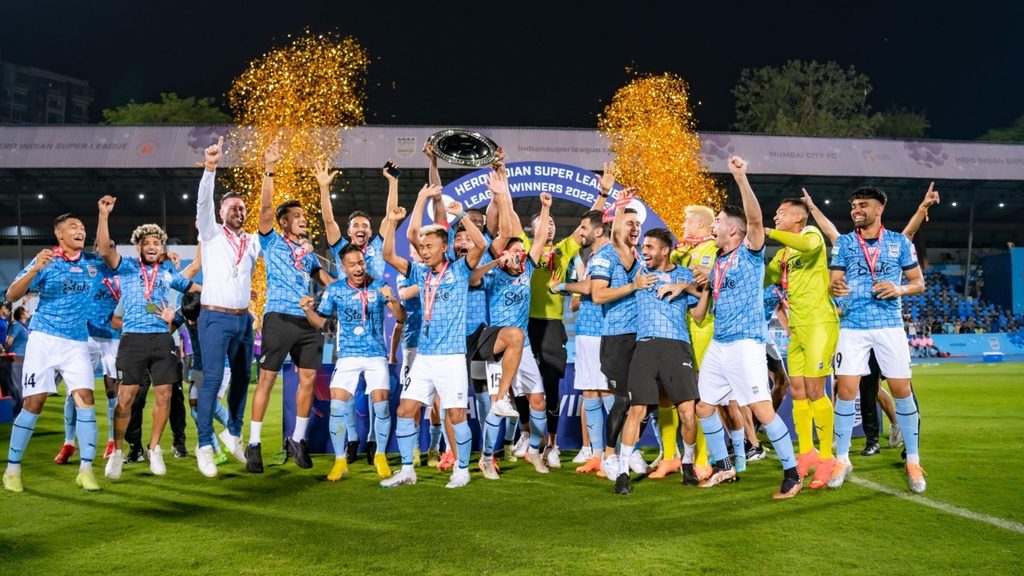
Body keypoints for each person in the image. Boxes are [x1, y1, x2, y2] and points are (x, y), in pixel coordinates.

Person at [689, 156, 801, 499]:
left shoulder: (750, 252)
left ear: (734, 231)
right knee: (704, 407)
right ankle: (724, 467)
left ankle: (792, 474)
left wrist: (741, 177)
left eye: (720, 221)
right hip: (720, 344)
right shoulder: (719, 260)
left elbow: (754, 219)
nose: (715, 224)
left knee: (761, 410)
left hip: (746, 345)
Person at [379, 189, 488, 489]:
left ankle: (462, 470)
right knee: (405, 409)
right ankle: (406, 471)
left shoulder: (460, 270)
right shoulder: (419, 273)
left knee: (455, 414)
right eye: (422, 246)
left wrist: (463, 215)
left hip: (452, 357)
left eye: (429, 246)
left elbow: (481, 243)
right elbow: (388, 255)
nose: (424, 251)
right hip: (424, 356)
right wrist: (391, 222)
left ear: (445, 246)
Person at [4, 212, 114, 493]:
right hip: (44, 341)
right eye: (73, 227)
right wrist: (34, 270)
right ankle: (13, 468)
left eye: (82, 227)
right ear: (59, 235)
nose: (80, 230)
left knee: (86, 402)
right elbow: (11, 296)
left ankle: (86, 470)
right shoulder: (46, 261)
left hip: (77, 342)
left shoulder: (92, 263)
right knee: (34, 404)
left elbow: (105, 248)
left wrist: (102, 216)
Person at [827, 185, 927, 493]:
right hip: (852, 326)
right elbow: (834, 282)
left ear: (879, 209)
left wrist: (898, 289)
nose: (856, 210)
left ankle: (913, 458)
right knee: (845, 391)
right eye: (854, 205)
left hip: (889, 325)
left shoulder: (899, 243)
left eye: (862, 205)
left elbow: (918, 283)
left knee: (900, 389)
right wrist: (836, 289)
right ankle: (842, 458)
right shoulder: (844, 243)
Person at [94, 197, 201, 480]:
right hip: (132, 339)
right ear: (138, 246)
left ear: (162, 248)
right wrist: (103, 215)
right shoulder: (127, 267)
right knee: (125, 397)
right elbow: (105, 249)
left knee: (165, 394)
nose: (152, 247)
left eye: (157, 243)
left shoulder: (167, 272)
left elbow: (193, 286)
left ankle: (154, 449)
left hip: (161, 339)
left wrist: (230, 296)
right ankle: (117, 452)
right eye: (147, 243)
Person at [245, 144, 333, 473]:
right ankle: (254, 444)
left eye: (304, 217)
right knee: (266, 380)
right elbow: (266, 209)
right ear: (283, 223)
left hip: (307, 322)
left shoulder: (308, 252)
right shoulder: (271, 240)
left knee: (308, 379)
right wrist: (270, 168)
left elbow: (322, 276)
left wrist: (339, 287)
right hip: (278, 316)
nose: (303, 220)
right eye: (296, 217)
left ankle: (297, 439)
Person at [520, 161, 611, 467]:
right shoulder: (524, 247)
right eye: (545, 226)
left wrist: (604, 192)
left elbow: (589, 224)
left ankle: (553, 445)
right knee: (524, 384)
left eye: (554, 226)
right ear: (534, 230)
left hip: (553, 326)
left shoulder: (562, 250)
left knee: (552, 385)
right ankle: (526, 434)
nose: (550, 229)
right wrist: (544, 207)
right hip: (525, 324)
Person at [609, 220, 701, 496]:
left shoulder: (685, 274)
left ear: (665, 251)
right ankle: (622, 474)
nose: (644, 250)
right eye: (643, 246)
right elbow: (617, 240)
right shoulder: (638, 270)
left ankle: (687, 464)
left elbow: (698, 314)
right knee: (636, 411)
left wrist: (684, 287)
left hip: (678, 347)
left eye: (650, 247)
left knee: (688, 414)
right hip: (645, 347)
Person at [301, 244, 406, 481]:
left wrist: (392, 300)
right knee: (337, 408)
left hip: (375, 355)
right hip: (347, 356)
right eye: (352, 264)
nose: (358, 268)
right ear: (344, 267)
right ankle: (340, 462)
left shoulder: (379, 285)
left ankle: (379, 455)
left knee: (381, 406)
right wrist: (308, 310)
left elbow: (401, 317)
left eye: (361, 262)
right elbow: (321, 324)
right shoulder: (335, 290)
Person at [194, 136, 262, 478]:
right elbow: (203, 204)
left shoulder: (252, 242)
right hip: (214, 317)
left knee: (242, 382)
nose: (239, 212)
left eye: (242, 208)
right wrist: (210, 169)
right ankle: (204, 445)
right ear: (222, 213)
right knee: (213, 380)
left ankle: (232, 434)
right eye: (233, 208)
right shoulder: (211, 234)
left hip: (243, 321)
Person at [472, 191, 553, 477]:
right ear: (503, 255)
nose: (520, 255)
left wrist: (545, 208)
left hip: (525, 346)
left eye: (522, 251)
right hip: (498, 348)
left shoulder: (527, 269)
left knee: (539, 401)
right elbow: (472, 277)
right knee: (498, 404)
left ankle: (533, 449)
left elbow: (541, 238)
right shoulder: (492, 274)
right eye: (514, 252)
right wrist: (496, 262)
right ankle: (486, 457)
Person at [762, 197, 840, 489]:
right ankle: (806, 451)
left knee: (815, 389)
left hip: (820, 325)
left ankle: (827, 457)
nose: (776, 217)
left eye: (781, 213)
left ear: (797, 218)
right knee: (796, 390)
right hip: (796, 328)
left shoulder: (810, 235)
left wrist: (768, 232)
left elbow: (807, 247)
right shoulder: (782, 255)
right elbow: (762, 279)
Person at [590, 191, 656, 481]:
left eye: (637, 224)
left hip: (642, 337)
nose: (634, 228)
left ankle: (633, 448)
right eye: (628, 222)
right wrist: (634, 287)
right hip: (616, 338)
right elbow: (597, 294)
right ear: (615, 226)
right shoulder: (605, 255)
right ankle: (608, 455)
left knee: (647, 399)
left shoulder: (640, 255)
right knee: (623, 400)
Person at [555, 211, 614, 475]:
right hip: (586, 331)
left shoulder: (606, 254)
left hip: (602, 332)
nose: (581, 232)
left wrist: (563, 286)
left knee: (607, 393)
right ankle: (597, 454)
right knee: (590, 392)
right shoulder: (594, 256)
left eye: (584, 227)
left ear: (598, 231)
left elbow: (592, 288)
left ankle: (618, 453)